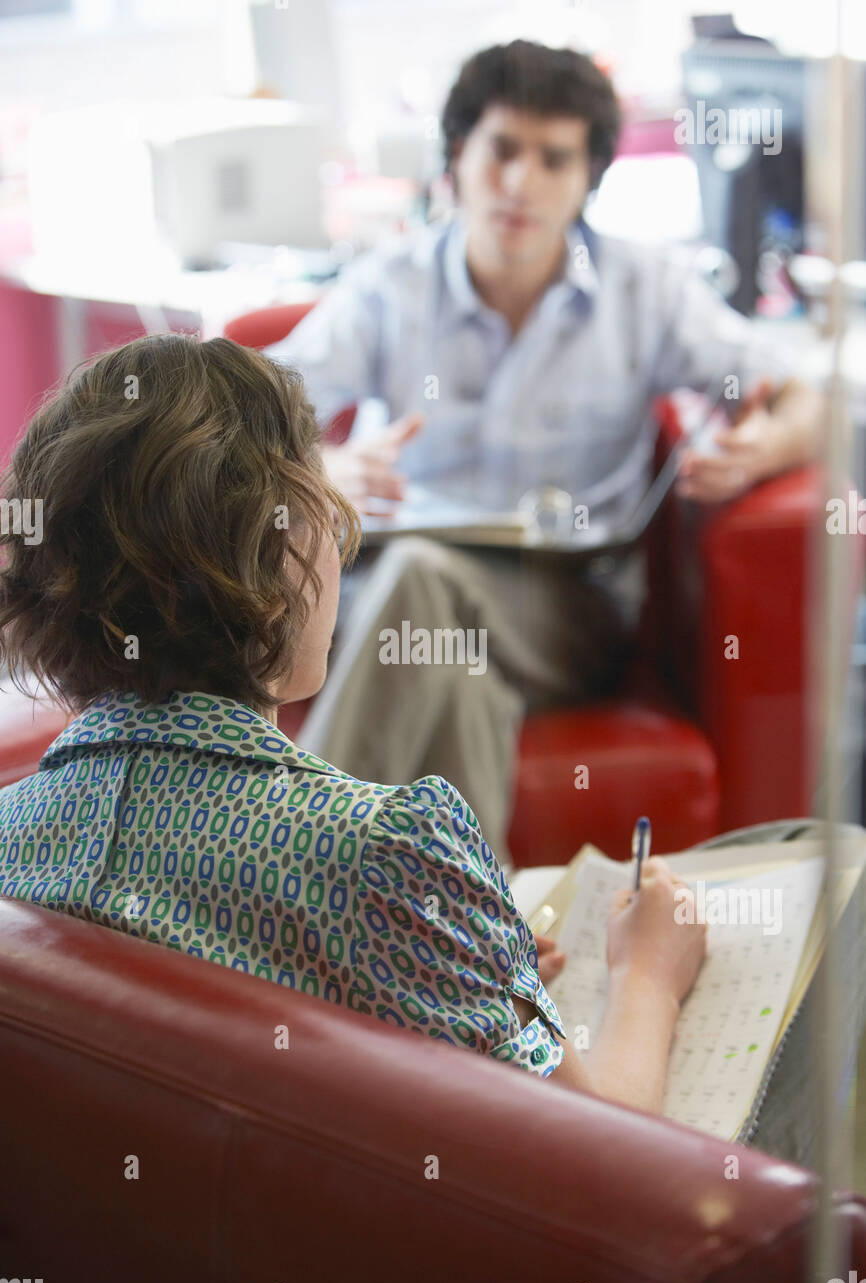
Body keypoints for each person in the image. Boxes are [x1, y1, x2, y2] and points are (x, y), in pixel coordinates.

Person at [0, 333, 706, 1113]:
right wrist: (650, 975)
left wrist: (456, 967)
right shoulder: (391, 853)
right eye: (327, 520)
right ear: (277, 560)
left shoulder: (8, 835)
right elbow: (605, 1162)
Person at [268, 39, 824, 863]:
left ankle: (285, 876)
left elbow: (811, 394)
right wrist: (314, 473)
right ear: (458, 155)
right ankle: (482, 962)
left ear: (589, 177)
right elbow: (240, 418)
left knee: (423, 577)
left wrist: (764, 445)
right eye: (502, 150)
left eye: (553, 159)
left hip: (565, 607)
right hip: (392, 595)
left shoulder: (645, 289)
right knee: (456, 675)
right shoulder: (389, 285)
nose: (522, 182)